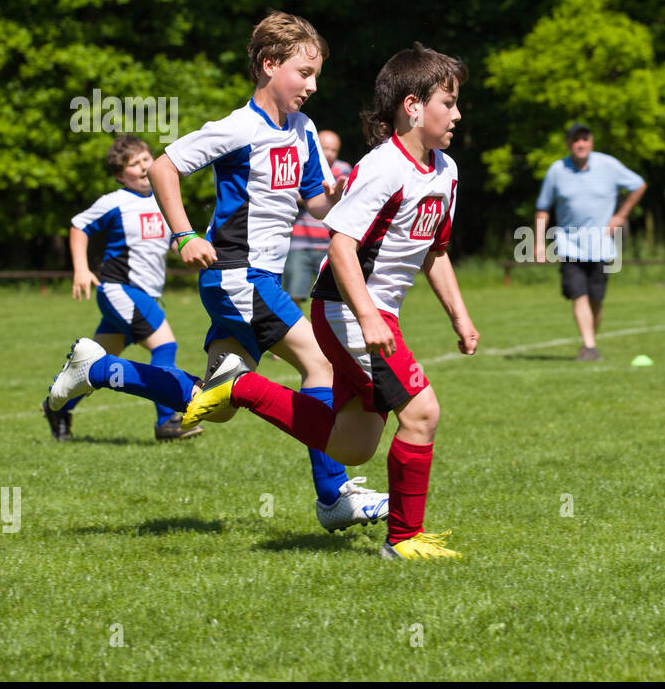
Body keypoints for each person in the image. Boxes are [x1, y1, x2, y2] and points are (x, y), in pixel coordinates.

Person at [51, 11, 388, 531]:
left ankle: (97, 369)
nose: (313, 85)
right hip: (238, 275)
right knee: (321, 365)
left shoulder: (303, 130)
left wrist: (355, 191)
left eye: (317, 74)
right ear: (268, 64)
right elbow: (165, 166)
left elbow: (318, 204)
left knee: (221, 402)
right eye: (304, 72)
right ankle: (334, 494)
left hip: (259, 280)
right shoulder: (238, 127)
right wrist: (185, 234)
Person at [181, 43, 478, 561]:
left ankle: (242, 386)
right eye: (448, 103)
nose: (456, 114)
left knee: (352, 445)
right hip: (346, 310)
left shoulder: (446, 171)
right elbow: (340, 244)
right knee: (423, 413)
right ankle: (403, 541)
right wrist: (367, 317)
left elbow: (436, 251)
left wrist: (461, 317)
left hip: (371, 314)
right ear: (413, 106)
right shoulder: (385, 167)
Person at [42, 136, 202, 442]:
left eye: (146, 158)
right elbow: (78, 226)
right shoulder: (115, 201)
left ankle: (57, 406)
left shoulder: (162, 198)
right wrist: (80, 269)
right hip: (121, 291)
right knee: (165, 346)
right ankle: (168, 421)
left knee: (93, 367)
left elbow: (168, 240)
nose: (144, 166)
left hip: (142, 295)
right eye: (134, 164)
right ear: (120, 175)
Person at [534, 124, 646, 360]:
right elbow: (543, 208)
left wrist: (620, 216)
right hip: (568, 244)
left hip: (601, 244)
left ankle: (590, 343)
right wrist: (539, 242)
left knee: (596, 298)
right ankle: (589, 346)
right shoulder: (557, 170)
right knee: (578, 293)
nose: (581, 144)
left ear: (591, 142)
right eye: (576, 140)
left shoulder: (609, 165)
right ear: (569, 144)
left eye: (585, 139)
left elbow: (638, 185)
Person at [283, 130, 353, 302]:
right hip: (300, 242)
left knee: (336, 296)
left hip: (330, 243)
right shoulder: (301, 166)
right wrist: (313, 196)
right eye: (325, 148)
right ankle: (294, 328)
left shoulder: (343, 170)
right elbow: (287, 193)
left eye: (334, 150)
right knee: (294, 296)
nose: (329, 153)